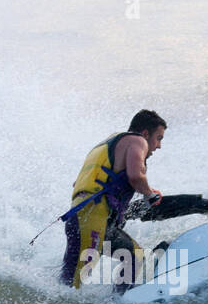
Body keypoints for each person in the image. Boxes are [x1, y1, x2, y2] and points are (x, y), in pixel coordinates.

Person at [59, 110, 166, 291]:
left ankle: (119, 301)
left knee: (135, 256)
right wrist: (149, 194)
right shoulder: (137, 141)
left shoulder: (112, 142)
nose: (159, 146)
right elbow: (136, 176)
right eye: (159, 138)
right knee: (72, 284)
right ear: (146, 134)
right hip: (91, 219)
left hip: (89, 219)